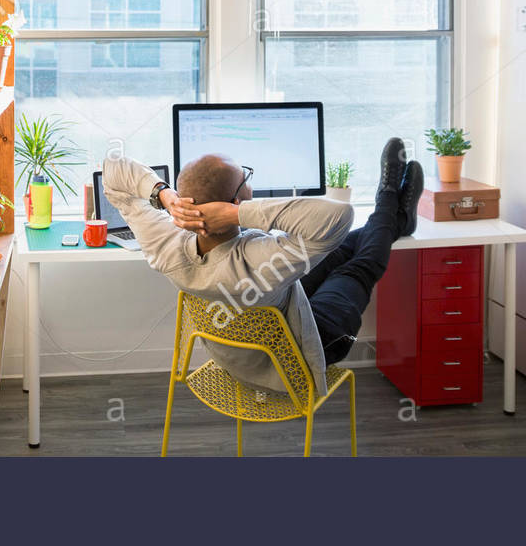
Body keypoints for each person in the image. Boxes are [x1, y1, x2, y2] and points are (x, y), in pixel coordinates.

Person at [100, 138, 423, 400]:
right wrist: (235, 215)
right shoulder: (258, 257)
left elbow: (113, 169)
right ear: (235, 200)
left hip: (244, 351)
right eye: (246, 179)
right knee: (355, 270)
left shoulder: (164, 243)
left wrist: (165, 196)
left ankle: (396, 219)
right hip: (296, 358)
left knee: (336, 250)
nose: (250, 183)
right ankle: (388, 203)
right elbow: (339, 216)